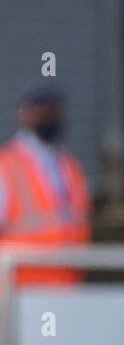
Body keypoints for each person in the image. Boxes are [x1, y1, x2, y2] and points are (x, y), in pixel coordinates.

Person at [0, 88, 91, 287]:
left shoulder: (68, 165)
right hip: (20, 292)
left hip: (67, 287)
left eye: (55, 111)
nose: (51, 117)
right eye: (44, 111)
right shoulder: (7, 166)